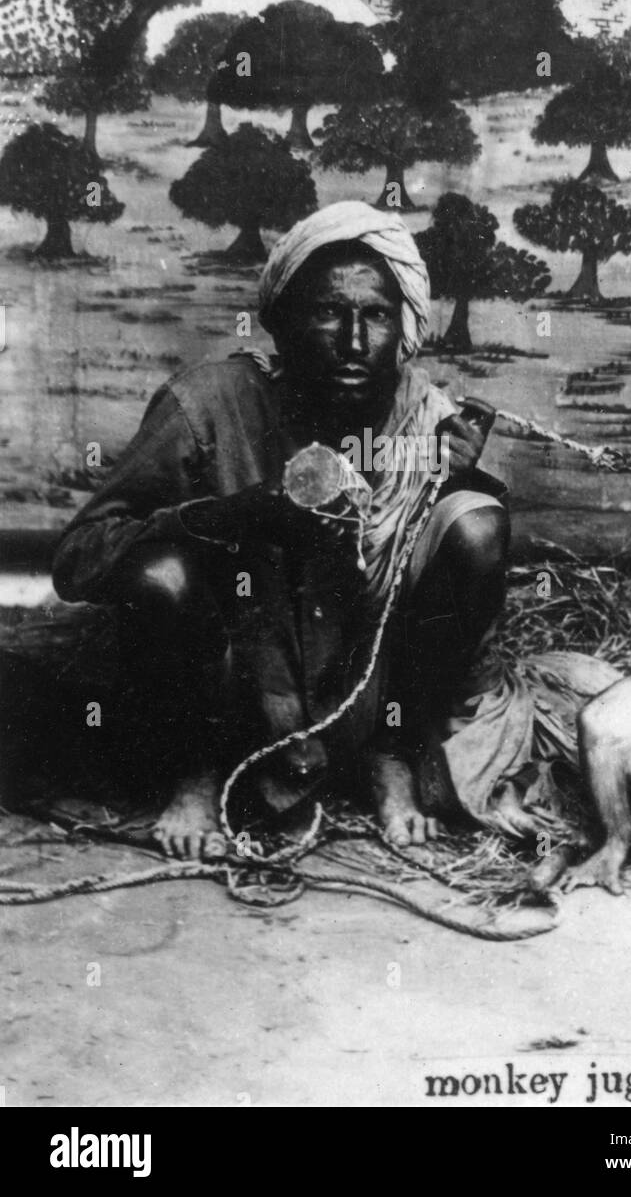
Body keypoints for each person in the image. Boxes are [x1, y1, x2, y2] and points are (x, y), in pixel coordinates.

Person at [53, 201, 548, 859]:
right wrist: (235, 515)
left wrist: (451, 474)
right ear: (283, 322)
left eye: (375, 315)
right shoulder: (206, 404)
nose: (353, 341)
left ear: (400, 326)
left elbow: (440, 554)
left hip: (355, 687)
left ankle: (390, 754)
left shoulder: (416, 415)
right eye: (328, 312)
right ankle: (197, 773)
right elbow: (79, 558)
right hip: (241, 689)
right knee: (162, 575)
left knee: (477, 523)